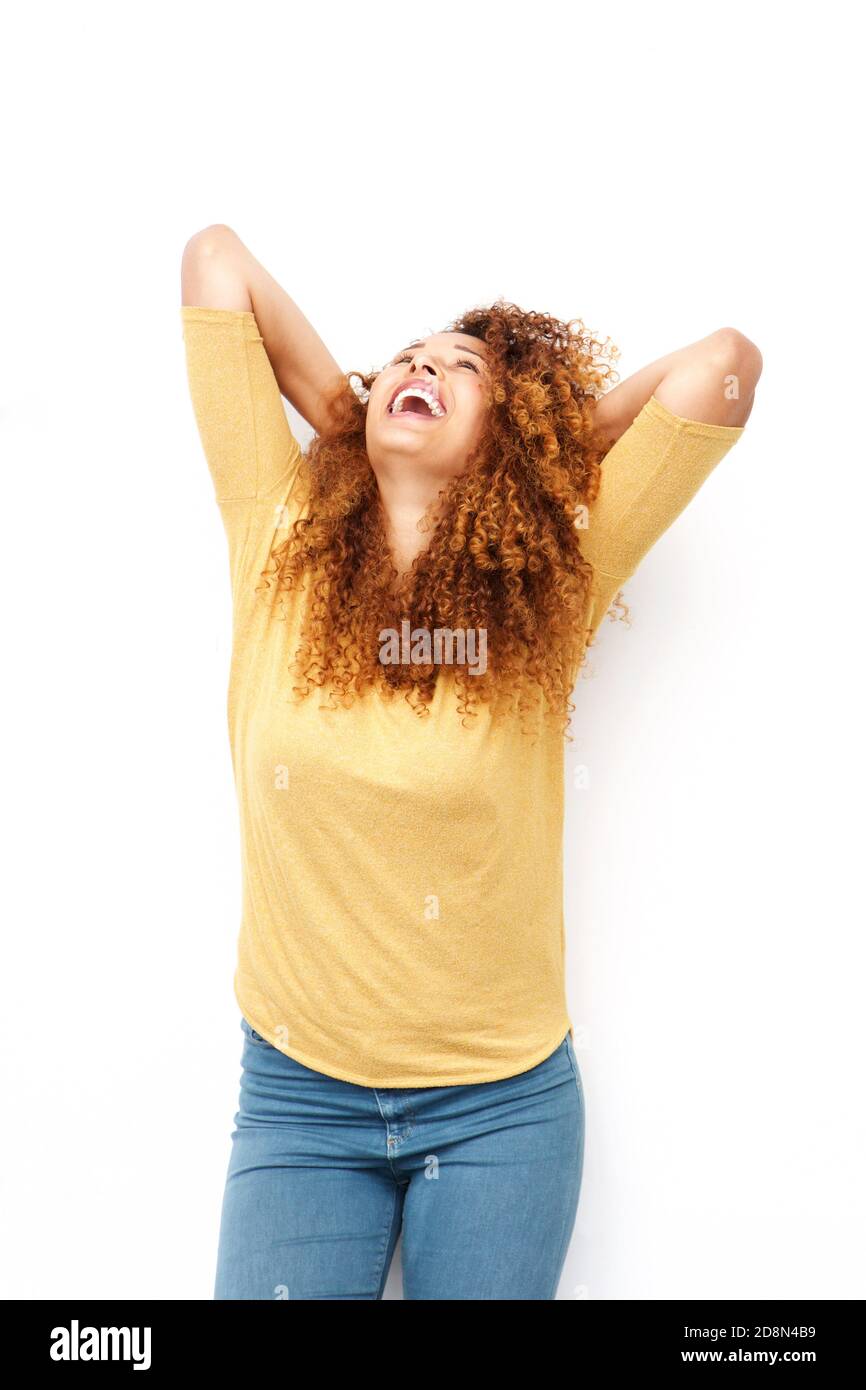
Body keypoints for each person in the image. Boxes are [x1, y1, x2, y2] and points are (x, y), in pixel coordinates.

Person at [179, 223, 761, 1300]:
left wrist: (533, 448)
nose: (422, 366)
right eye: (409, 355)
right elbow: (217, 261)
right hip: (298, 1096)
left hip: (499, 1107)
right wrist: (353, 417)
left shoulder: (551, 586)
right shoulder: (274, 532)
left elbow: (722, 365)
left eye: (461, 371)